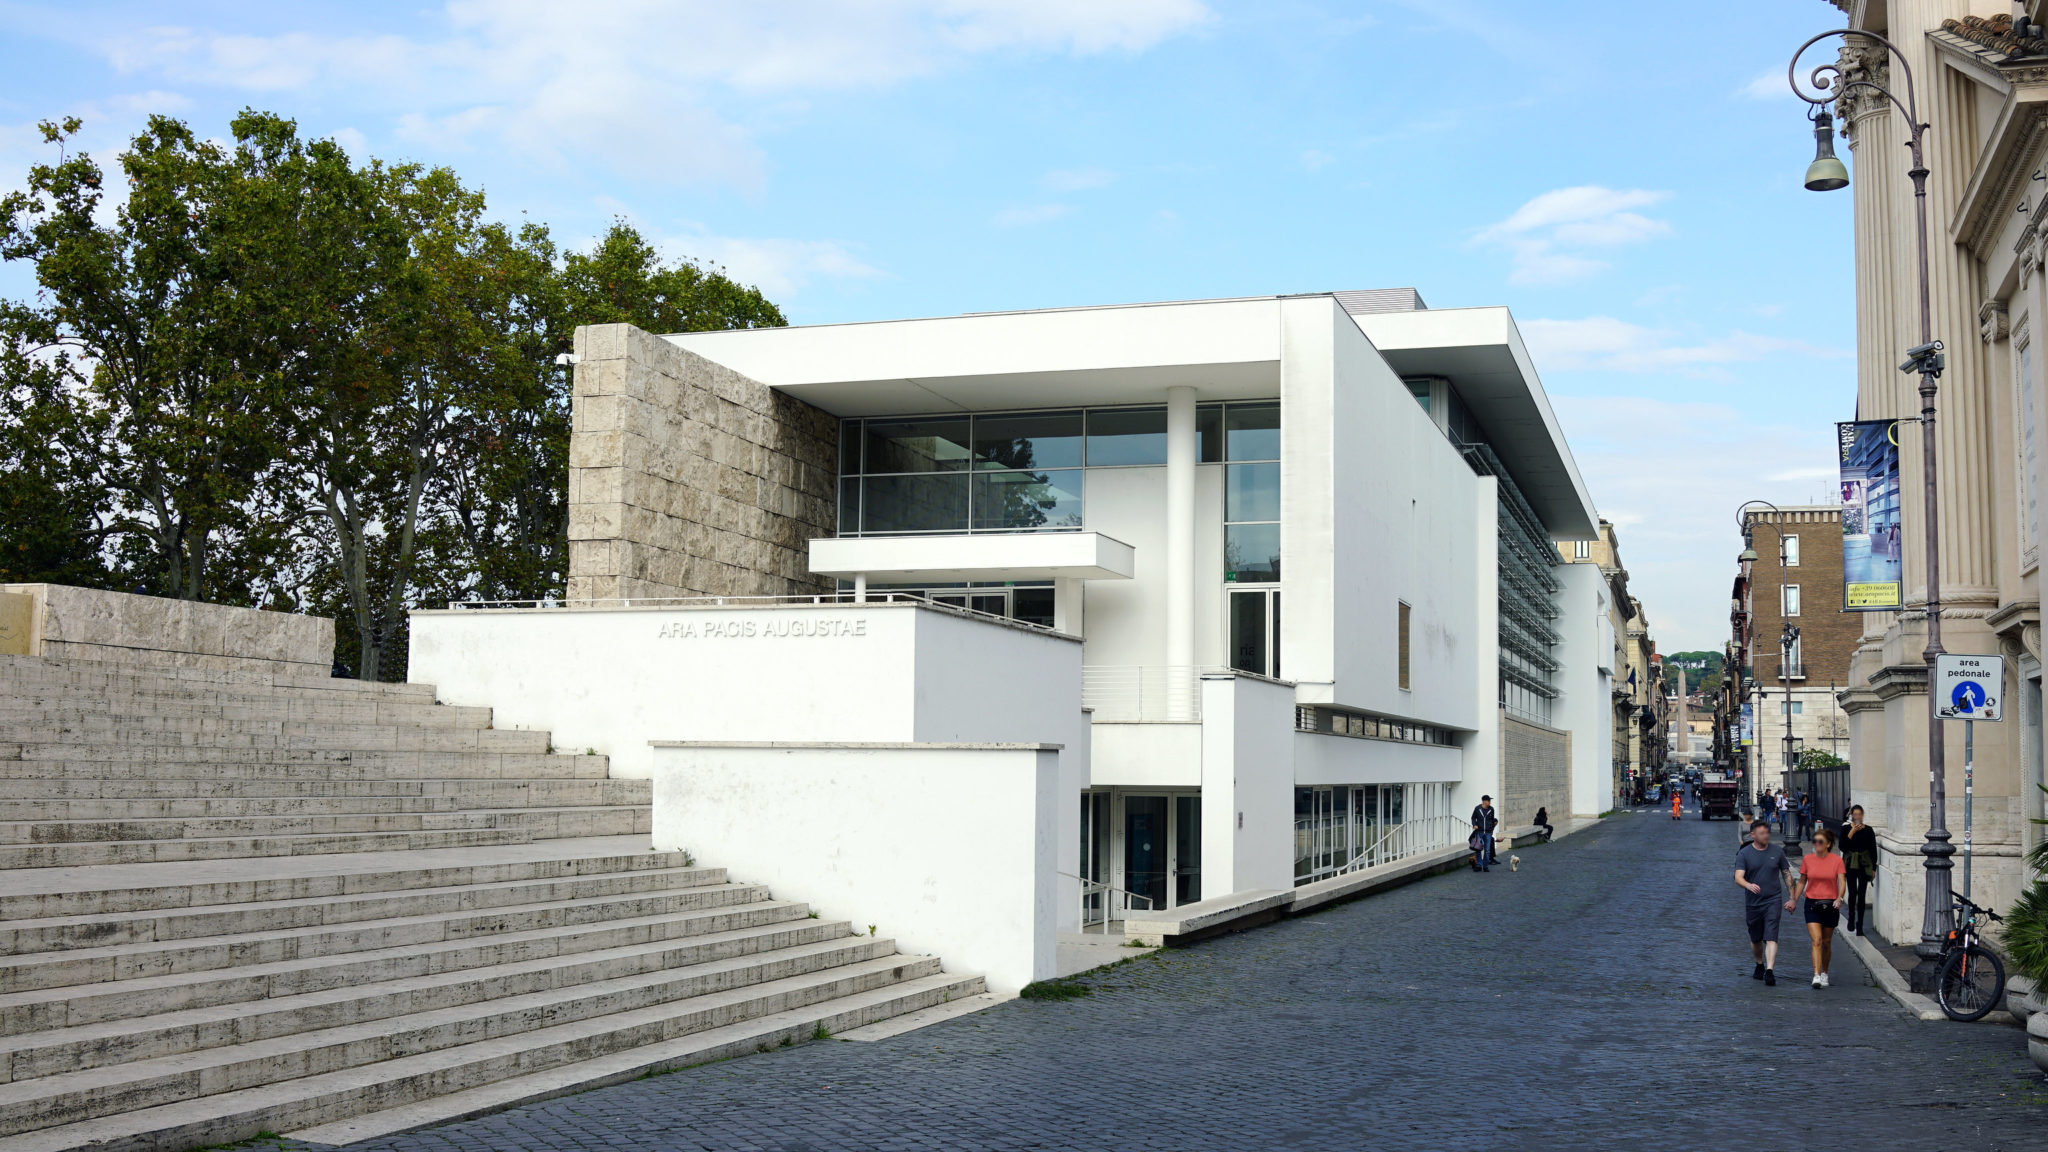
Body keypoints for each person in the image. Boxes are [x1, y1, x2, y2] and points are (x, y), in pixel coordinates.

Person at [1735, 819, 1795, 987]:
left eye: (1767, 833)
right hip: (1753, 902)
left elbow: (1786, 873)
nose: (1766, 836)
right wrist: (1748, 885)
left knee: (1771, 935)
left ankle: (1770, 970)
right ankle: (1759, 963)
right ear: (1753, 835)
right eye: (1762, 834)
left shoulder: (1777, 851)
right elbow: (1738, 877)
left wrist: (1792, 897)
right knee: (1755, 938)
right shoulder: (1745, 853)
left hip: (1773, 899)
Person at [1798, 826, 1846, 987]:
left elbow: (1841, 881)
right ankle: (1816, 975)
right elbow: (1802, 881)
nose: (1816, 844)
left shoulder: (1837, 860)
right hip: (1811, 904)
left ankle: (1825, 972)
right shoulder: (1807, 860)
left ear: (1828, 844)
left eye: (1820, 841)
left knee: (1826, 942)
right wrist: (1793, 899)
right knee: (1816, 940)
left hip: (1831, 904)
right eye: (1815, 841)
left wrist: (1840, 897)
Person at [1839, 805, 1878, 937]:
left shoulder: (1868, 830)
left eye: (1860, 814)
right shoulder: (1845, 829)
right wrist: (1852, 832)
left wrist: (1874, 868)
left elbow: (1873, 849)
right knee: (1852, 892)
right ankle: (1851, 917)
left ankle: (1859, 925)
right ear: (1851, 816)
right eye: (1855, 814)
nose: (1857, 817)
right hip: (1850, 864)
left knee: (1861, 894)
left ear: (1862, 815)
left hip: (1864, 864)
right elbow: (1843, 847)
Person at [1470, 795, 1499, 872]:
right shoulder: (1477, 808)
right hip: (1479, 831)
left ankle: (1485, 866)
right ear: (1484, 801)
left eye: (1490, 801)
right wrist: (1474, 825)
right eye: (1488, 801)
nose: (1490, 802)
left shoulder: (1491, 809)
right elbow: (1473, 818)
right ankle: (1479, 865)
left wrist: (1492, 826)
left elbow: (1492, 819)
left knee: (1487, 850)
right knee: (1478, 849)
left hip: (1488, 833)